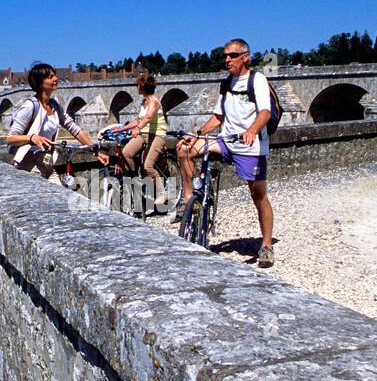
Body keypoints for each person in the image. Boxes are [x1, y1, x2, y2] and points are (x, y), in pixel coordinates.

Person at [174, 39, 275, 267]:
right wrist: (198, 134)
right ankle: (189, 199)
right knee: (184, 149)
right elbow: (218, 117)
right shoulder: (226, 83)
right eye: (225, 55)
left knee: (258, 196)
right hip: (225, 141)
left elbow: (265, 112)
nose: (227, 59)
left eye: (232, 55)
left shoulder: (257, 80)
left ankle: (266, 245)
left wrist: (252, 130)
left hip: (251, 147)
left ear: (245, 57)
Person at [6, 63, 108, 181]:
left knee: (61, 196)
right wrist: (32, 138)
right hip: (30, 165)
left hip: (48, 162)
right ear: (40, 83)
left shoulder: (54, 106)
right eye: (50, 77)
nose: (56, 79)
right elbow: (10, 138)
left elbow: (74, 129)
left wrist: (95, 151)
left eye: (54, 75)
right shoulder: (30, 106)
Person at [118, 70, 171, 208]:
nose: (137, 88)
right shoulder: (144, 102)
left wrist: (137, 129)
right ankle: (137, 179)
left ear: (143, 87)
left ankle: (162, 192)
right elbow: (138, 119)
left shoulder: (154, 102)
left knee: (148, 165)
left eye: (138, 86)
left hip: (157, 135)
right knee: (126, 153)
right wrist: (121, 129)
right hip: (144, 134)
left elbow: (148, 118)